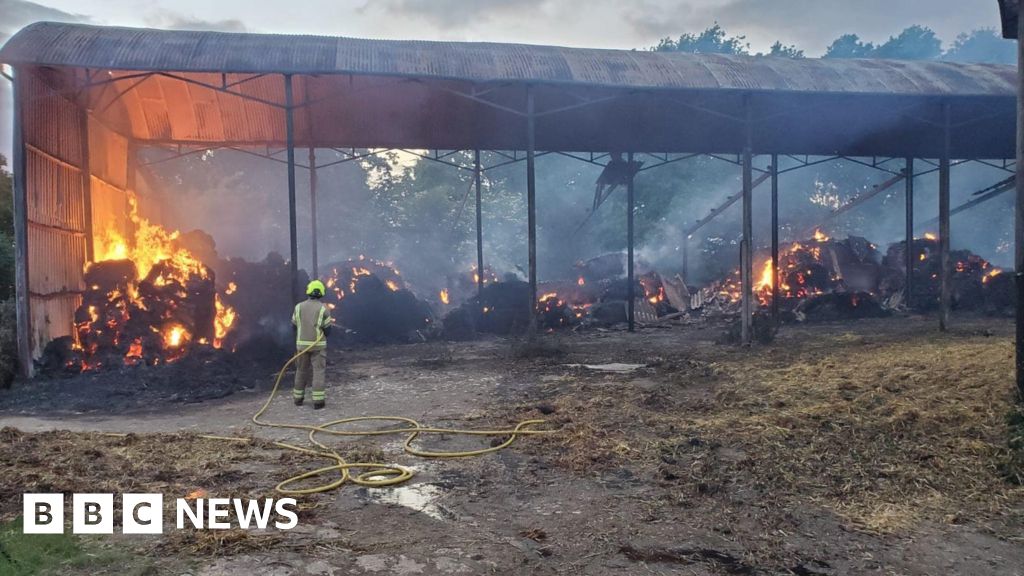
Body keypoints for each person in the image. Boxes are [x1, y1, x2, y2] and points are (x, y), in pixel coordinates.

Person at [292, 280, 333, 409]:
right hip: (318, 347)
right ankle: (318, 402)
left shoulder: (298, 307)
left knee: (301, 371)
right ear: (321, 293)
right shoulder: (323, 309)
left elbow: (294, 326)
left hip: (301, 347)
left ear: (308, 291)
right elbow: (327, 331)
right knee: (318, 372)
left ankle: (298, 399)